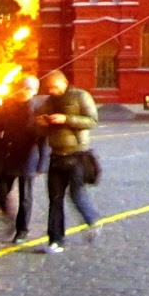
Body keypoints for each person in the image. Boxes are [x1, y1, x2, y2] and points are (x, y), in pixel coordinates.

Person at [38, 70, 101, 252]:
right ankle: (55, 240)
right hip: (56, 155)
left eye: (55, 87)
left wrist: (66, 119)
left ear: (64, 83)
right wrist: (41, 123)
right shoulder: (48, 102)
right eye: (48, 87)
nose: (51, 90)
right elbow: (42, 131)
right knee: (54, 200)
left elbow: (92, 120)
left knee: (76, 194)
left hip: (77, 155)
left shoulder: (80, 96)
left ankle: (91, 219)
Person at [0, 76, 44, 242]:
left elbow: (44, 137)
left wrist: (42, 163)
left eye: (26, 88)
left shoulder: (39, 108)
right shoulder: (9, 105)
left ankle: (22, 230)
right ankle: (9, 216)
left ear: (33, 91)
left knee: (25, 195)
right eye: (21, 87)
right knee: (0, 188)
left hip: (29, 155)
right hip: (9, 153)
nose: (22, 91)